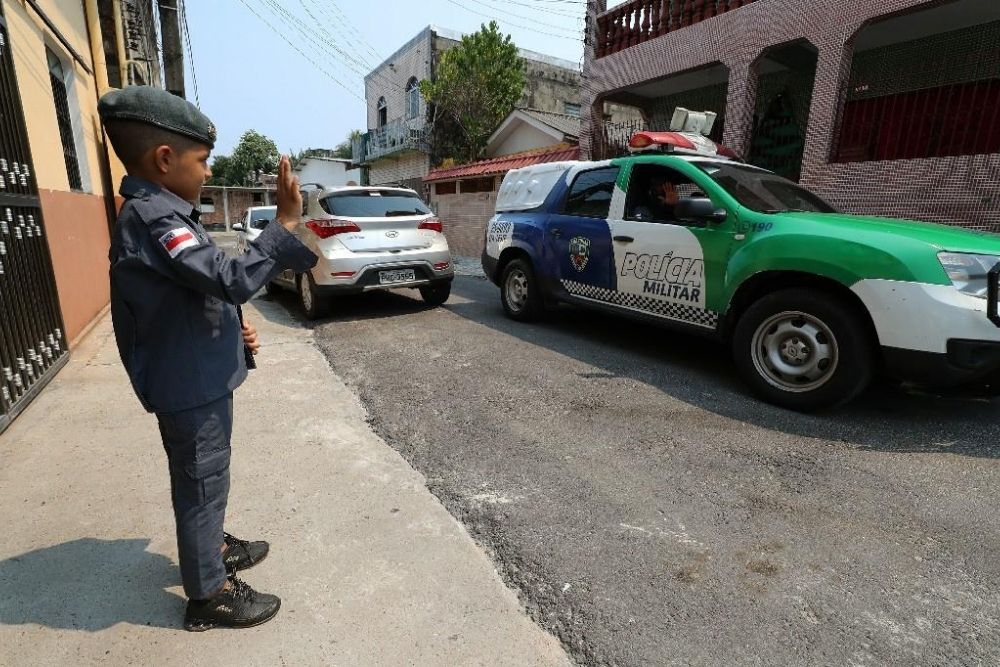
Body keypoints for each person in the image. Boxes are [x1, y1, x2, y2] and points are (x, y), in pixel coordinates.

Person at [98, 86, 318, 631]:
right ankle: (209, 592)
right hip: (186, 386)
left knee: (209, 473)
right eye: (202, 160)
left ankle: (212, 545)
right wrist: (285, 222)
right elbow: (232, 277)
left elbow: (196, 291)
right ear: (165, 160)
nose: (207, 171)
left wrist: (229, 330)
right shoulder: (155, 219)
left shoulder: (171, 213)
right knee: (202, 480)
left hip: (198, 375)